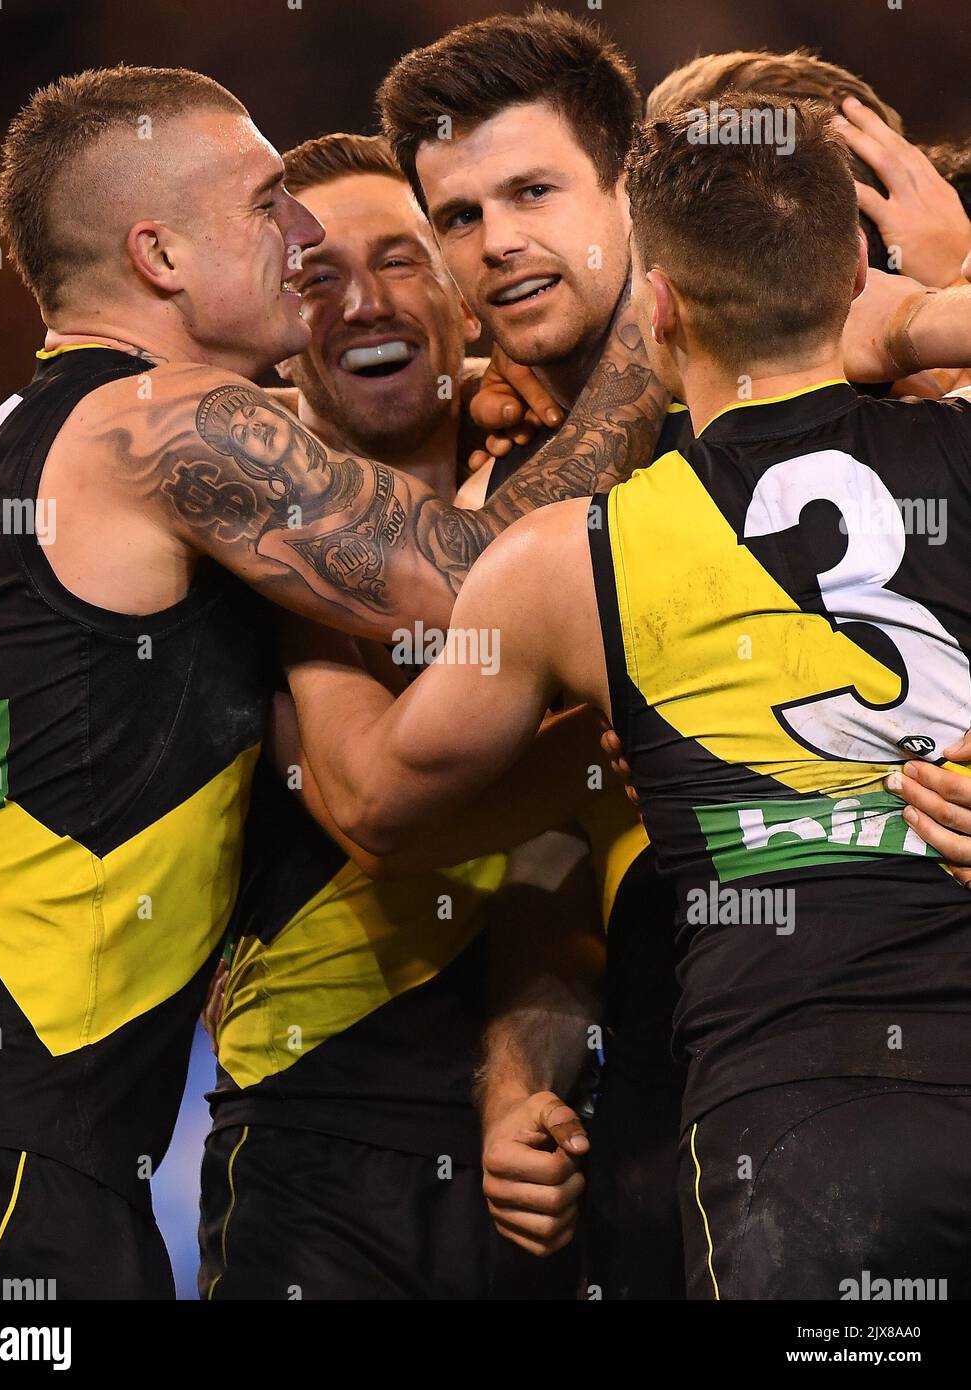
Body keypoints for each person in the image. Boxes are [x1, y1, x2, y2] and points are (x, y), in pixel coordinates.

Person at [0, 63, 662, 1299]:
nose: (303, 234)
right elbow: (478, 575)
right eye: (270, 204)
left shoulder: (73, 424)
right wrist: (652, 319)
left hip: (33, 1135)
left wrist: (457, 399)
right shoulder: (160, 425)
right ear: (159, 255)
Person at [285, 95, 971, 1300]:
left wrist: (295, 584)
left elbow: (379, 803)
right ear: (853, 267)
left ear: (652, 304)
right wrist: (934, 308)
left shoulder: (561, 559)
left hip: (799, 1127)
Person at [198, 132, 598, 1299]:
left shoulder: (567, 499)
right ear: (279, 325)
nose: (361, 300)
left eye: (403, 260)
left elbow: (548, 860)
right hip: (308, 1141)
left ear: (467, 306)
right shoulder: (239, 530)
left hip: (547, 1144)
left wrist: (522, 1079)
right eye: (313, 275)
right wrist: (618, 748)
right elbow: (375, 805)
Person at [378, 5, 690, 1297]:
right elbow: (542, 855)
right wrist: (518, 1084)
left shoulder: (820, 392)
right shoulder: (452, 492)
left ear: (629, 189)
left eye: (530, 189)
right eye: (455, 215)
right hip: (645, 1104)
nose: (496, 239)